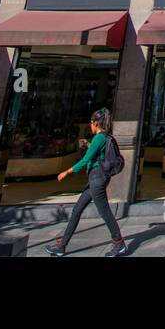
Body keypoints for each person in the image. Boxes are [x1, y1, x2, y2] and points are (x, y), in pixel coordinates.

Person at [44, 108, 126, 257]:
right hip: (96, 180)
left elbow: (85, 160)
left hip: (97, 180)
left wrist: (66, 172)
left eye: (91, 123)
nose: (90, 125)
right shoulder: (104, 137)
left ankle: (119, 242)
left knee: (105, 212)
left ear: (95, 123)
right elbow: (96, 154)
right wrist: (89, 145)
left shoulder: (99, 138)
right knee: (77, 210)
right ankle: (62, 245)